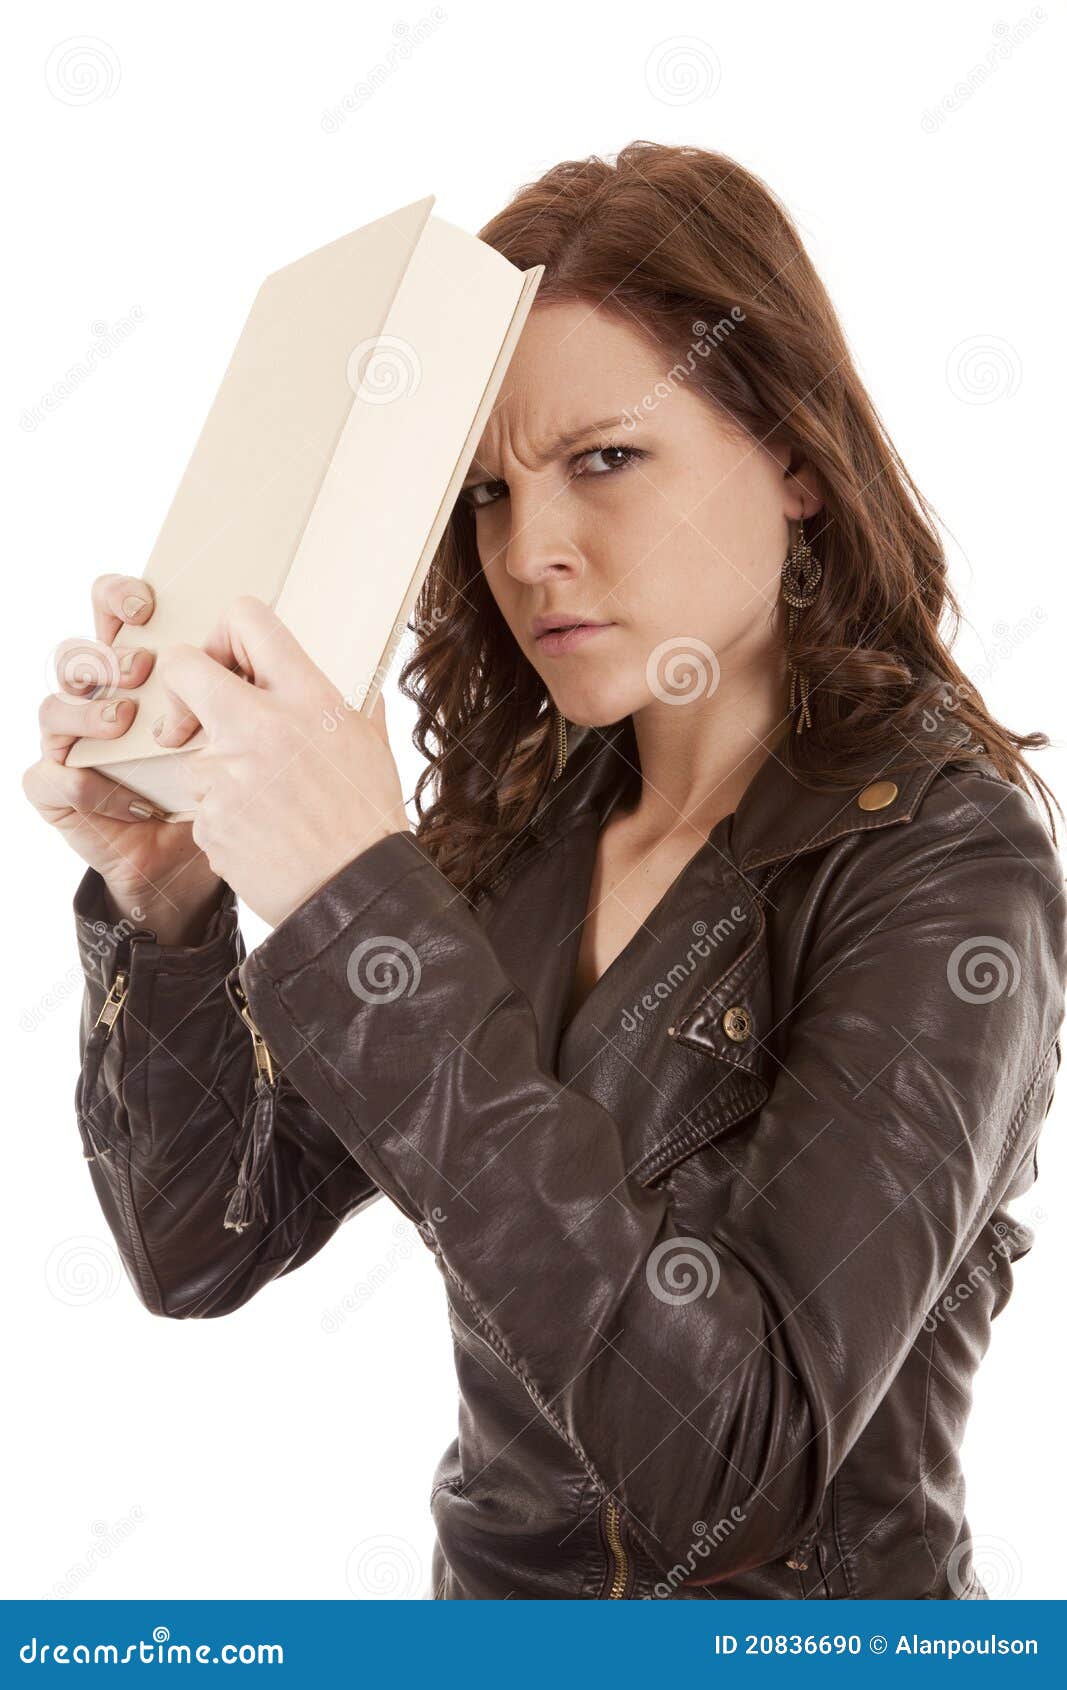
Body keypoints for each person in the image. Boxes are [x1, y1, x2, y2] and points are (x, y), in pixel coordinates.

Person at [25, 143, 1067, 1600]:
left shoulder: (951, 872)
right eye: (490, 493)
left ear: (798, 462)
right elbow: (204, 1237)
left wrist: (359, 899)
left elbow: (735, 1476)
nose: (533, 552)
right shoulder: (523, 829)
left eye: (606, 460)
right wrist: (169, 900)